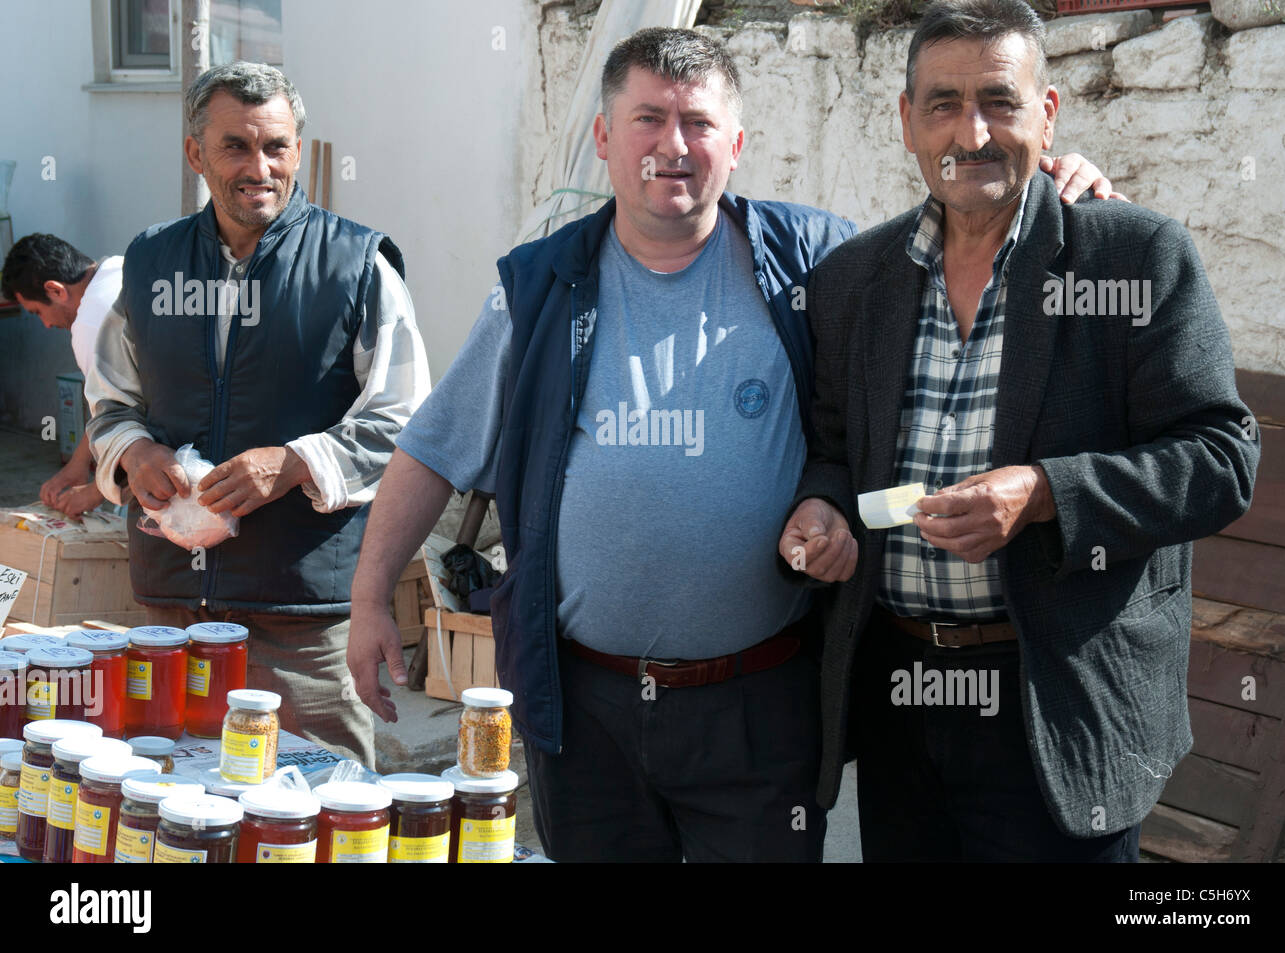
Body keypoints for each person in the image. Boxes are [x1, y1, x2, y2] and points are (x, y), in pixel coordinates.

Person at [348, 27, 1113, 862]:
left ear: (737, 145)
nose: (673, 146)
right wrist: (369, 596)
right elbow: (433, 448)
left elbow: (959, 228)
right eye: (647, 119)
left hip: (759, 706)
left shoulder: (814, 263)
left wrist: (1049, 181)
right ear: (604, 137)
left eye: (699, 124)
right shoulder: (538, 290)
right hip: (585, 706)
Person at [779, 0, 1259, 862]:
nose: (972, 131)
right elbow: (832, 446)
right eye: (943, 103)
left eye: (1000, 100)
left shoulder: (1131, 255)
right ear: (906, 122)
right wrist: (821, 508)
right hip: (903, 695)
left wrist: (1044, 492)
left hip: (1059, 700)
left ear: (1048, 112)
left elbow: (1221, 459)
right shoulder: (856, 279)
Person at [84, 62, 430, 766]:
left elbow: (408, 424)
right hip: (172, 612)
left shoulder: (357, 266)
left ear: (299, 148)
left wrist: (299, 460)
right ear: (195, 155)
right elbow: (109, 402)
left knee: (317, 809)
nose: (259, 167)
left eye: (276, 145)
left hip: (301, 620)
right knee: (178, 806)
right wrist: (132, 452)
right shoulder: (150, 264)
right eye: (235, 146)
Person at [2, 234, 122, 519]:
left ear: (56, 290)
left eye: (38, 312)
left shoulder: (91, 322)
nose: (45, 324)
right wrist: (78, 464)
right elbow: (110, 403)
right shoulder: (117, 268)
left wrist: (98, 491)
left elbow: (130, 413)